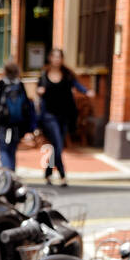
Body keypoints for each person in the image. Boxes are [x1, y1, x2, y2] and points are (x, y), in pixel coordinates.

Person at [35, 48, 88, 187]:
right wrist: (40, 91)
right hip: (49, 116)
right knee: (58, 144)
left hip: (64, 115)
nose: (57, 59)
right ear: (50, 58)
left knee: (56, 147)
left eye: (59, 57)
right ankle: (63, 175)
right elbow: (38, 89)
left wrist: (86, 91)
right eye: (55, 57)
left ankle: (48, 173)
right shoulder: (44, 74)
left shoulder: (67, 74)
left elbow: (77, 85)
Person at [0, 60, 34, 170]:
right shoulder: (19, 84)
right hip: (17, 121)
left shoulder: (2, 83)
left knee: (3, 146)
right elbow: (26, 103)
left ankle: (6, 170)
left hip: (3, 119)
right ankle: (12, 170)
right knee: (13, 147)